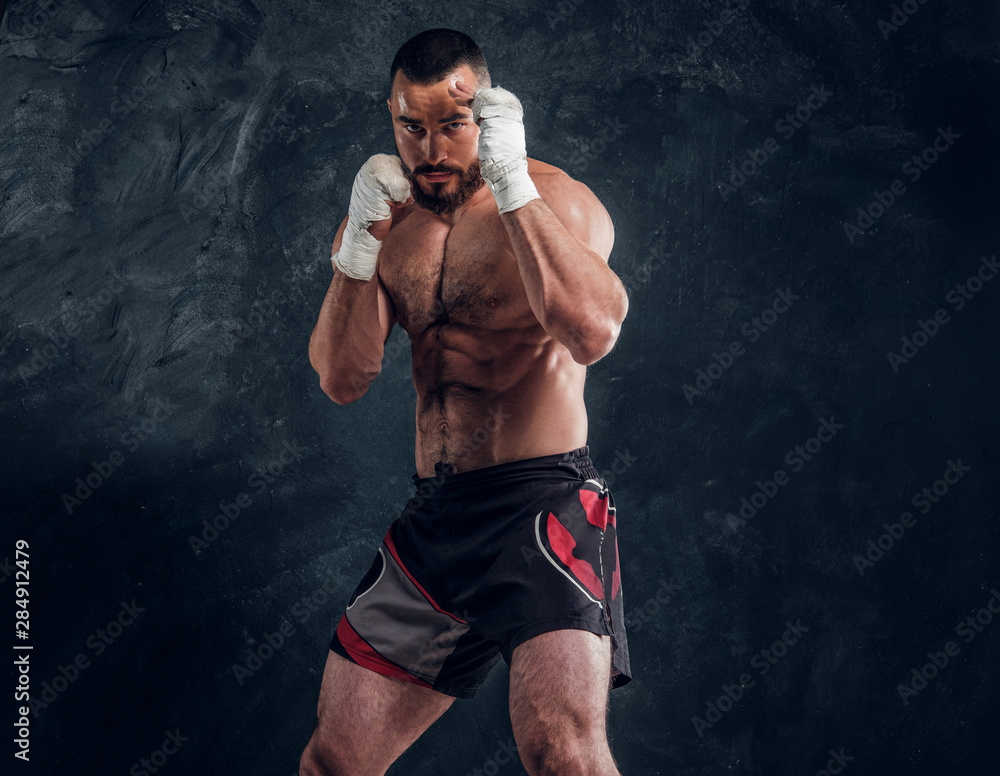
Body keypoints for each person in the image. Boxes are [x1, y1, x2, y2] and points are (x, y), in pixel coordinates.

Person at [301, 28, 631, 776]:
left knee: (563, 756)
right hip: (437, 519)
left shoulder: (558, 201)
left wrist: (513, 184)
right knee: (335, 761)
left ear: (486, 114)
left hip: (541, 511)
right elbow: (342, 378)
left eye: (452, 125)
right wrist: (357, 245)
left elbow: (593, 332)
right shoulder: (387, 219)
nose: (430, 150)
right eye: (410, 127)